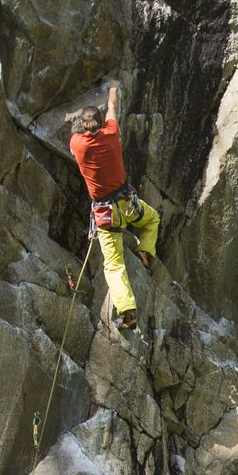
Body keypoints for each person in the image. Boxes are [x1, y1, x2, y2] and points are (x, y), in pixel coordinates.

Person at [69, 81, 160, 332]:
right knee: (152, 219)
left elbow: (78, 133)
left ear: (83, 125)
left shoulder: (77, 144)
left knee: (114, 265)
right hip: (127, 205)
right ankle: (145, 252)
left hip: (106, 216)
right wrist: (112, 89)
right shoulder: (111, 133)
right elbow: (113, 108)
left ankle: (128, 311)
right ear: (100, 122)